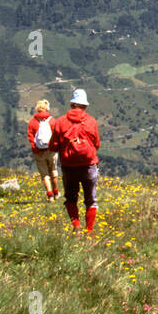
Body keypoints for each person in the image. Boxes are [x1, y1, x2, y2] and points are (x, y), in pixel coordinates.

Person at [50, 88, 100, 232]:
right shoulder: (91, 121)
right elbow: (97, 144)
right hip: (89, 165)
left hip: (69, 166)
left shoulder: (60, 122)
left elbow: (53, 145)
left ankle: (76, 227)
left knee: (71, 198)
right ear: (84, 106)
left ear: (72, 104)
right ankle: (89, 231)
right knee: (91, 200)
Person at [27, 99, 59, 200]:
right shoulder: (52, 120)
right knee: (53, 171)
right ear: (47, 108)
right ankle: (56, 192)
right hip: (51, 150)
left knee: (45, 174)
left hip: (39, 151)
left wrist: (35, 148)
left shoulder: (32, 121)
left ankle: (50, 196)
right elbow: (57, 134)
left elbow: (30, 136)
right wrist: (55, 146)